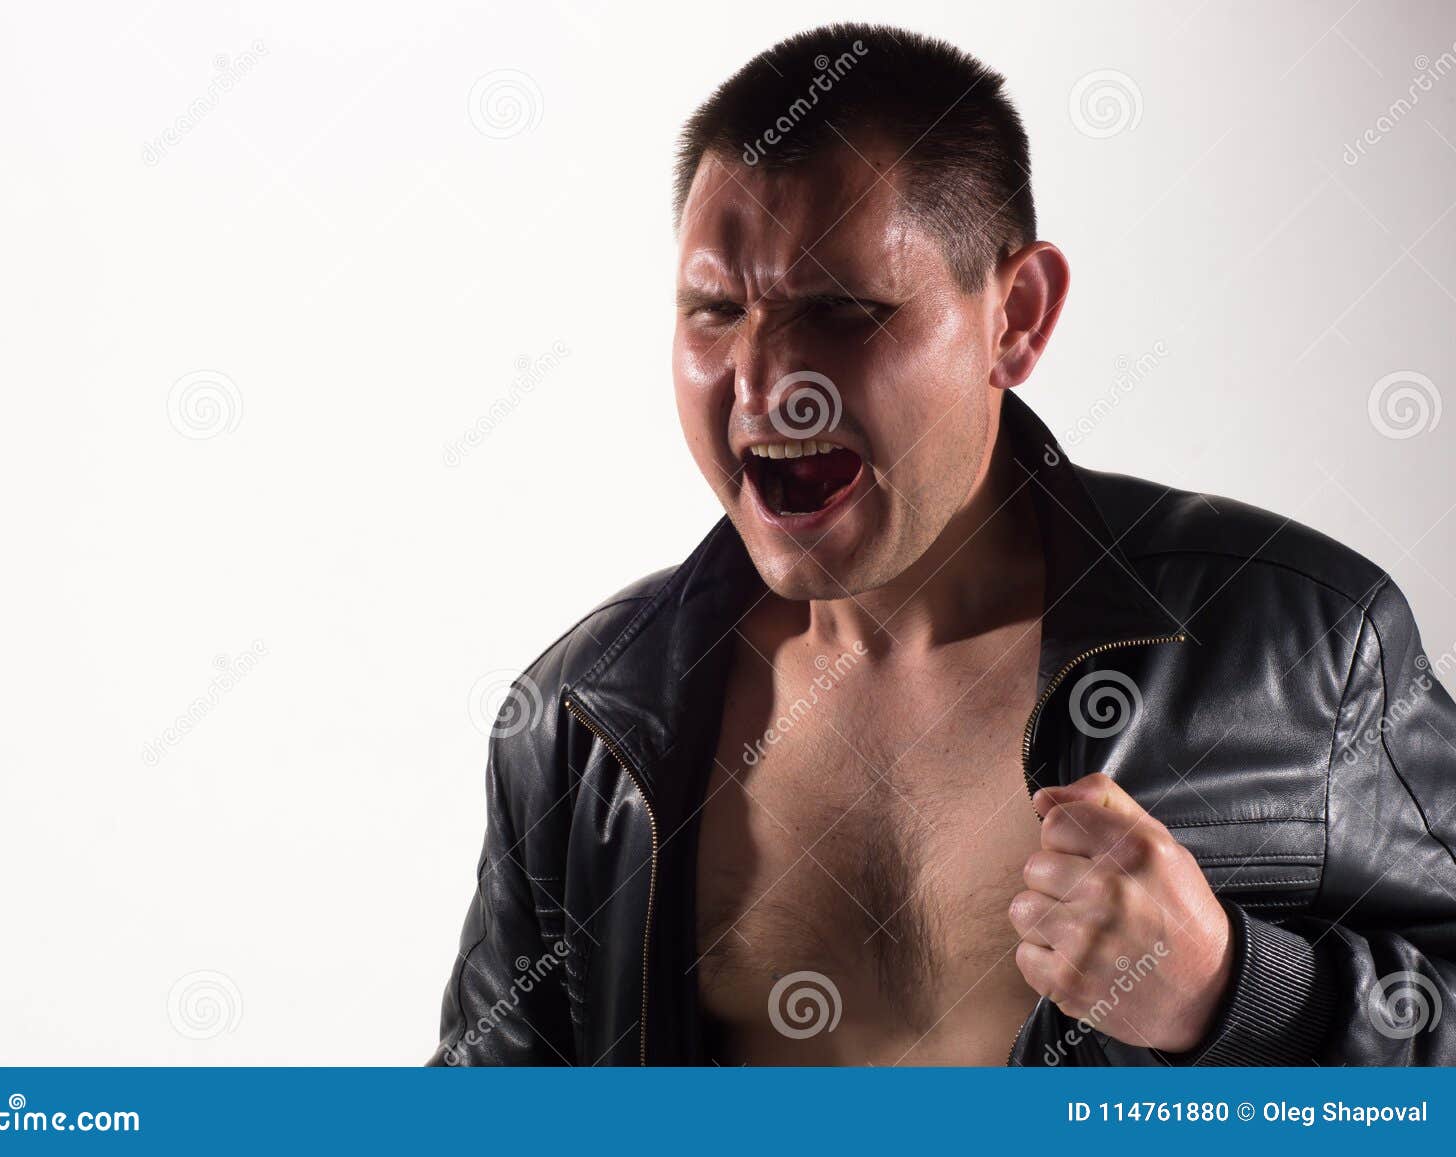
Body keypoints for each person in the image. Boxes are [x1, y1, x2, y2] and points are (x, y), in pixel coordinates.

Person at [434, 22, 1456, 1066]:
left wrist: (1235, 993)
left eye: (840, 309)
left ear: (1014, 314)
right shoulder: (586, 721)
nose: (759, 380)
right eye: (714, 310)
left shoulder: (1301, 646)